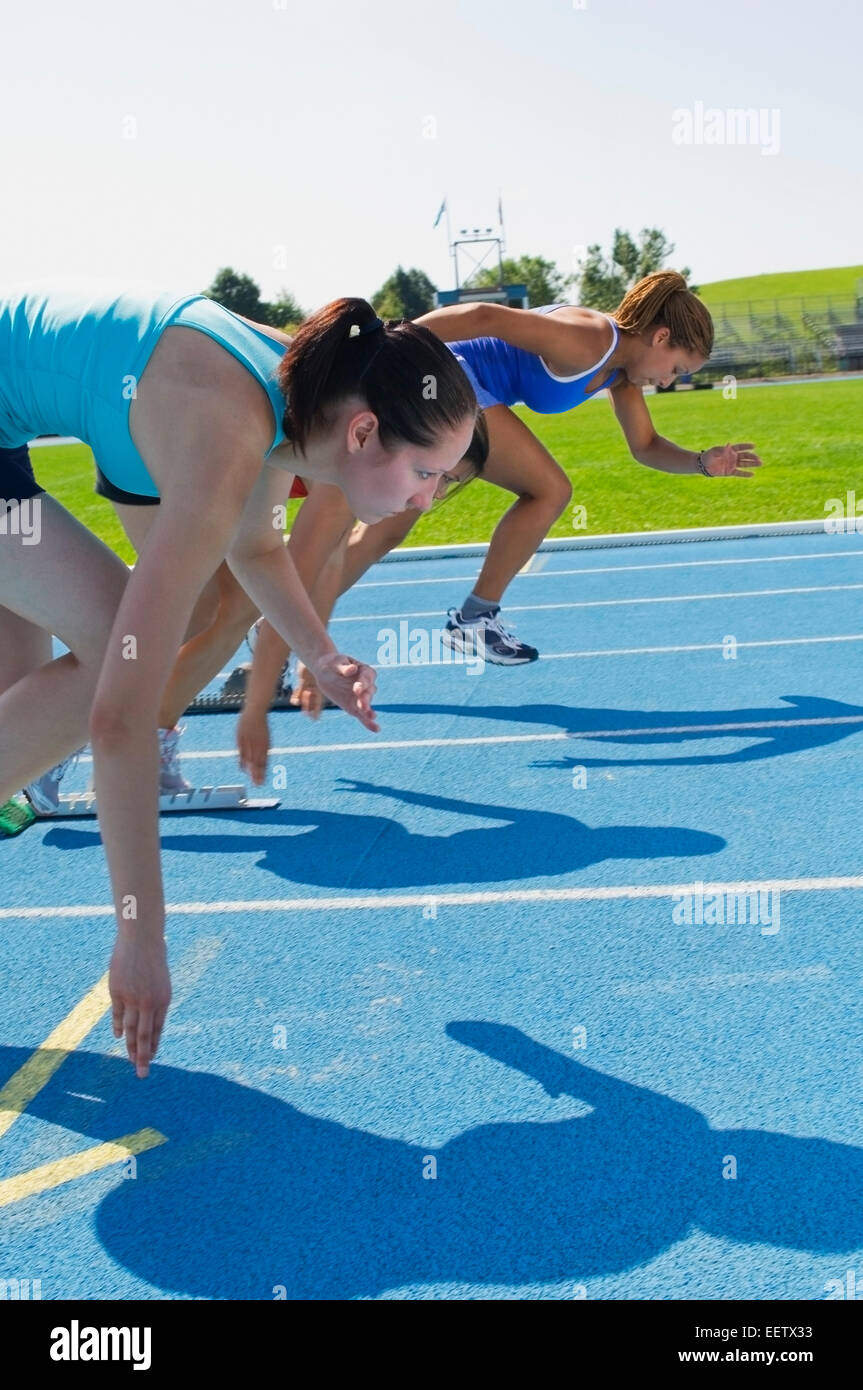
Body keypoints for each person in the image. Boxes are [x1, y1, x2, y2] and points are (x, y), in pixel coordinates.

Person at [0, 288, 486, 1076]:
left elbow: (256, 551)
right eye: (427, 473)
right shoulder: (228, 436)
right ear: (363, 431)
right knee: (104, 659)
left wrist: (320, 654)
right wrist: (140, 937)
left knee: (26, 712)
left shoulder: (295, 400)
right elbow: (123, 719)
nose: (427, 499)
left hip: (12, 434)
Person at [235, 271, 761, 756]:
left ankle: (275, 631)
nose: (669, 381)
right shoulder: (591, 341)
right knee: (548, 489)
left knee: (382, 531)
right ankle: (472, 617)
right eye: (676, 369)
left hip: (466, 396)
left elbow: (644, 446)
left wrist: (701, 463)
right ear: (662, 337)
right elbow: (484, 317)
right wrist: (392, 352)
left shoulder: (620, 376)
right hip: (453, 384)